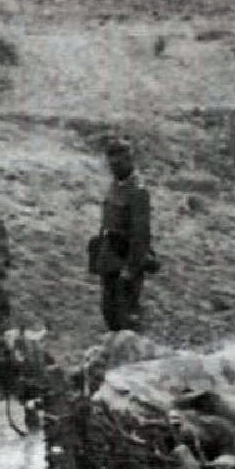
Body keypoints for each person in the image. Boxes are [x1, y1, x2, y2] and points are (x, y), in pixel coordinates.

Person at [90, 137, 155, 332]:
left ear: (129, 160)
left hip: (125, 258)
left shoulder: (138, 191)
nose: (115, 167)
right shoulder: (115, 186)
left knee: (127, 316)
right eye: (111, 163)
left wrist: (132, 268)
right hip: (109, 257)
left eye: (119, 162)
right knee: (109, 311)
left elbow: (140, 235)